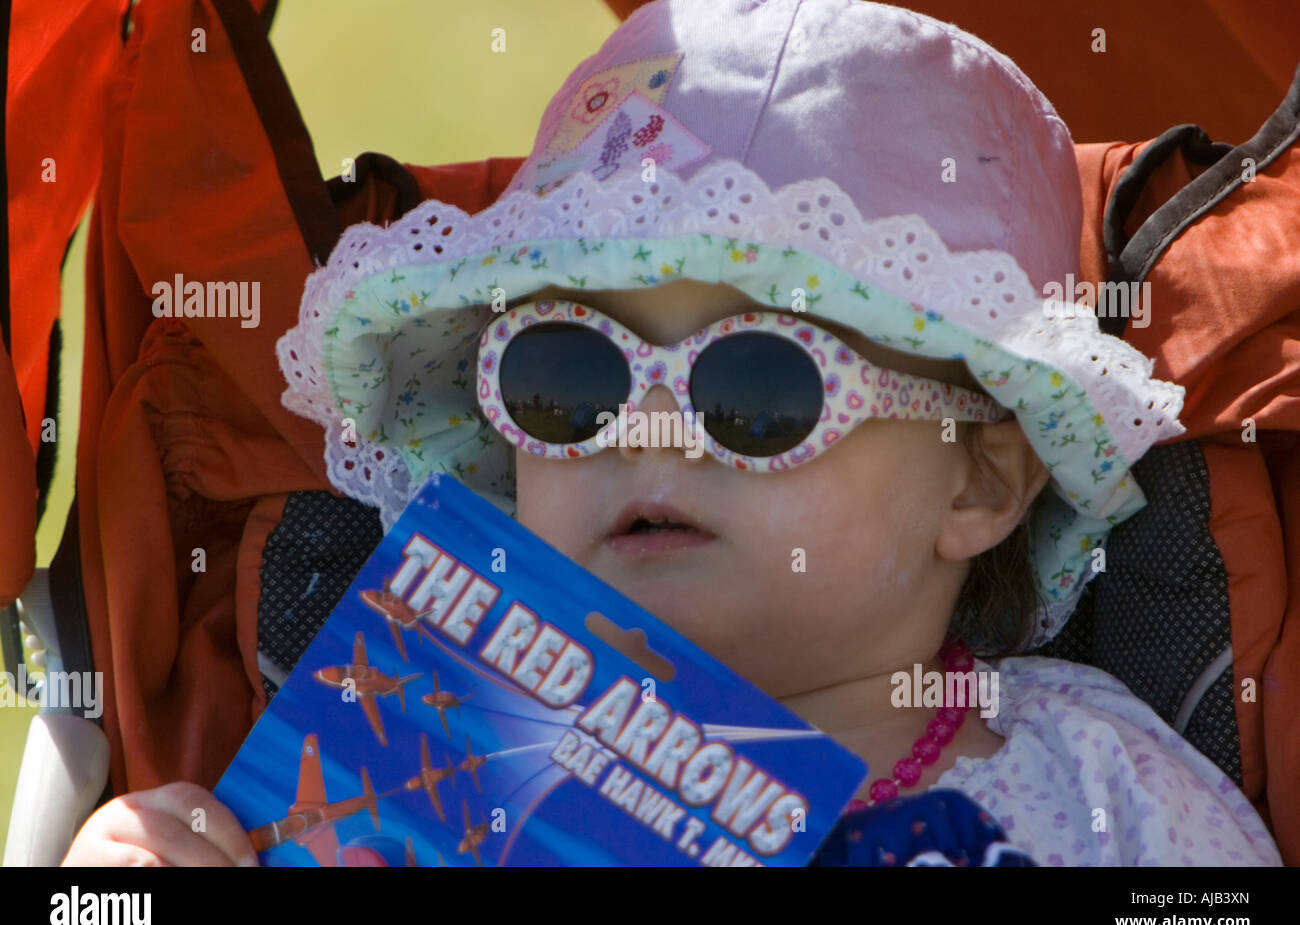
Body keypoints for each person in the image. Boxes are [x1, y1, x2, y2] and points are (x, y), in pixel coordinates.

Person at [64, 0, 1281, 866]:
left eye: (758, 388)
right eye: (565, 375)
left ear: (980, 481)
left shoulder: (1102, 788)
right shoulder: (400, 752)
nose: (647, 430)